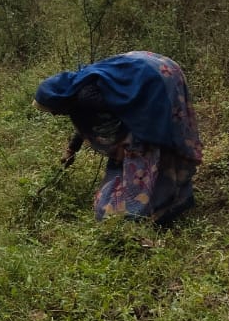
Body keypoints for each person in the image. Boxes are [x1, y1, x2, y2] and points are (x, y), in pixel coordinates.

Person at [34, 51, 202, 224]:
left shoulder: (87, 98)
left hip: (157, 79)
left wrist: (128, 141)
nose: (54, 115)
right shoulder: (76, 87)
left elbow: (126, 109)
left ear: (58, 101)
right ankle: (170, 190)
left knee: (148, 147)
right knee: (147, 145)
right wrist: (71, 149)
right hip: (158, 65)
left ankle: (150, 208)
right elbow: (86, 122)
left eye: (52, 110)